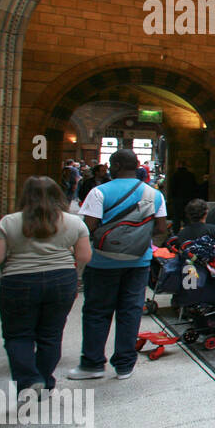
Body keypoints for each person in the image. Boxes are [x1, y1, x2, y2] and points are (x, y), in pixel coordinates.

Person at [66, 150, 169, 381]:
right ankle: (124, 365)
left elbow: (89, 226)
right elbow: (161, 228)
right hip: (138, 261)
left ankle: (92, 364)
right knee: (130, 311)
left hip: (103, 261)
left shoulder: (99, 192)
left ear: (118, 164)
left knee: (97, 312)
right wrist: (137, 237)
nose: (108, 167)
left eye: (111, 163)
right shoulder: (154, 194)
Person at [0, 177, 90, 400]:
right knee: (51, 334)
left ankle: (29, 379)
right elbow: (84, 256)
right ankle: (44, 379)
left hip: (18, 281)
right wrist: (74, 276)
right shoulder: (74, 222)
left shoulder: (8, 222)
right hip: (61, 280)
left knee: (18, 335)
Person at [167, 161, 197, 231]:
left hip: (177, 199)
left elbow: (172, 188)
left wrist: (172, 198)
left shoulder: (175, 175)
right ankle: (188, 232)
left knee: (176, 218)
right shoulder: (190, 175)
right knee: (188, 217)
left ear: (179, 165)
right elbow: (194, 187)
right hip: (188, 199)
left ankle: (176, 233)